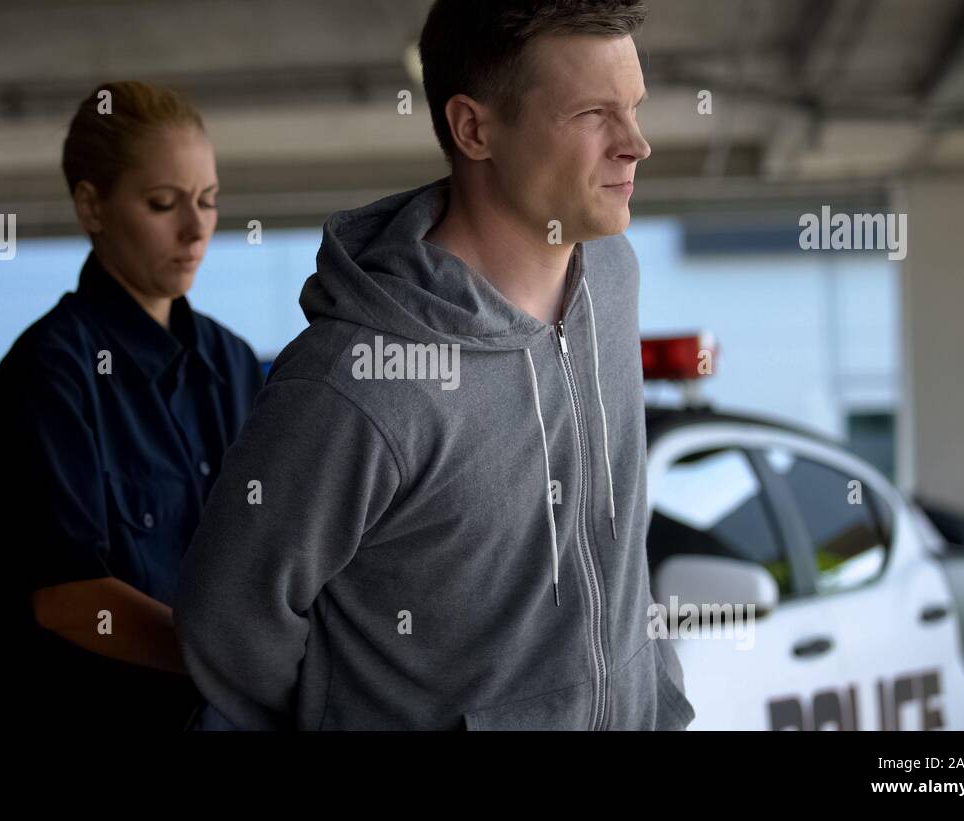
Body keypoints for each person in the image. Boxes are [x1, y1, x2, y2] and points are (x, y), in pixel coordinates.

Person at [175, 0, 695, 730]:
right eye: (592, 114)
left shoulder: (613, 272)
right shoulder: (356, 379)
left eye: (635, 108)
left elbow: (618, 547)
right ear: (474, 128)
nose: (635, 144)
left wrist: (658, 698)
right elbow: (229, 618)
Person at [0, 80, 263, 730]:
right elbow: (68, 598)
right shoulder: (48, 374)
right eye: (163, 204)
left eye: (208, 202)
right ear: (91, 206)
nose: (196, 229)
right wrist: (245, 665)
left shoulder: (233, 364)